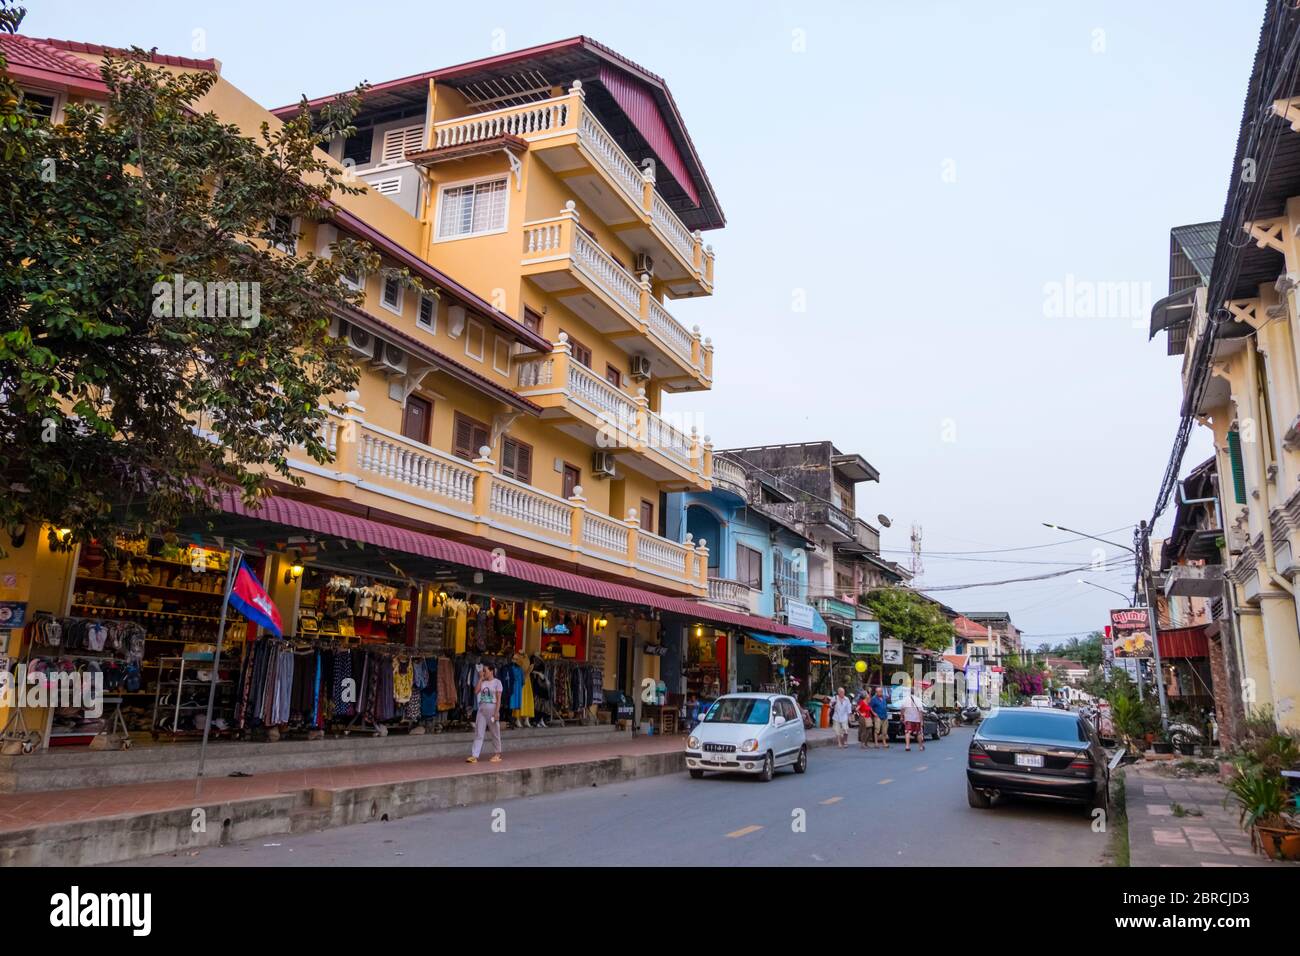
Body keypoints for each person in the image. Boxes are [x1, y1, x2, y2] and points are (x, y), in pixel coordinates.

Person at [467, 663, 503, 763]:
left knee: (495, 732)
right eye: (483, 670)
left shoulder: (497, 682)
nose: (484, 672)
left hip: (492, 709)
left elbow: (499, 699)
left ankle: (497, 754)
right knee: (479, 732)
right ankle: (475, 755)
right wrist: (481, 678)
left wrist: (496, 713)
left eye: (485, 671)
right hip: (482, 709)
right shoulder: (483, 682)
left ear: (491, 671)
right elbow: (476, 691)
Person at [899, 684, 925, 752]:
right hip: (917, 719)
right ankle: (920, 747)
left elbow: (902, 709)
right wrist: (921, 721)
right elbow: (921, 711)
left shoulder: (905, 699)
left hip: (908, 718)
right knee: (919, 733)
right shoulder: (918, 700)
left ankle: (907, 746)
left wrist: (901, 717)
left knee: (907, 732)